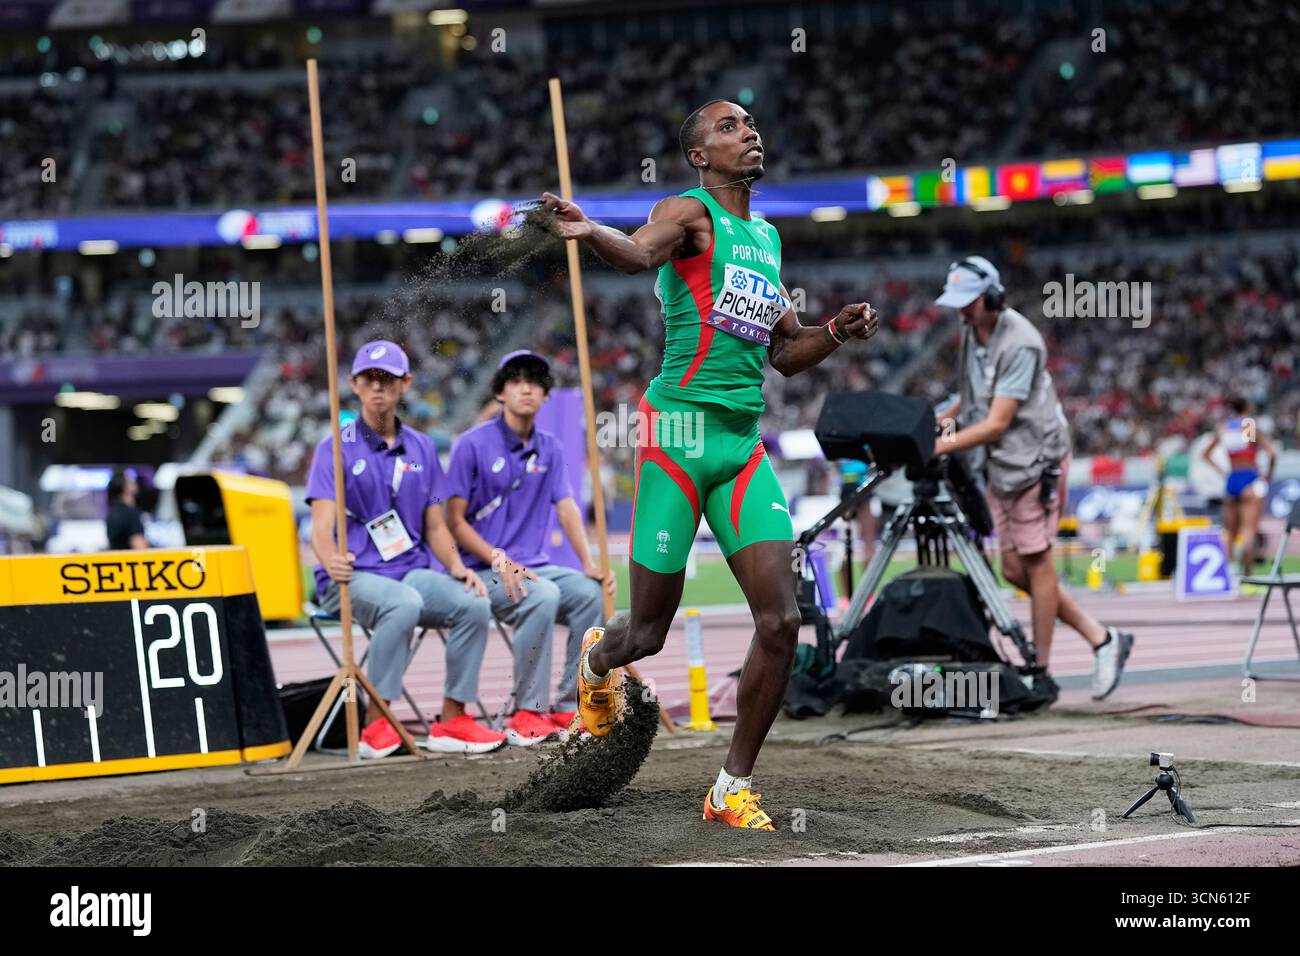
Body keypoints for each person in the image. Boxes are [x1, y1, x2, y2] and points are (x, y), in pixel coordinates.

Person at [538, 99, 878, 830]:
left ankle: (730, 787)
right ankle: (600, 662)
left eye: (752, 123)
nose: (749, 132)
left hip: (740, 444)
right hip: (678, 435)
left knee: (781, 620)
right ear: (699, 155)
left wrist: (835, 333)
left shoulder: (765, 237)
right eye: (729, 127)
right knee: (648, 634)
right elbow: (635, 252)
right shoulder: (688, 212)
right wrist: (586, 228)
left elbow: (786, 352)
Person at [931, 256, 1134, 699]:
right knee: (1013, 569)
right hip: (1001, 465)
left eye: (969, 303)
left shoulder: (1020, 341)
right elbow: (969, 399)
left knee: (1038, 564)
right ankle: (1102, 637)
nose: (961, 312)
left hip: (1034, 463)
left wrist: (939, 445)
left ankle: (1040, 672)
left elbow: (997, 421)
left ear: (992, 297)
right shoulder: (972, 331)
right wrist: (926, 420)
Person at [306, 340, 506, 758]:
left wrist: (455, 566)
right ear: (354, 385)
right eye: (369, 379)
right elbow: (320, 530)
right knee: (404, 603)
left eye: (388, 379)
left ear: (405, 384)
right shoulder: (334, 448)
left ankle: (452, 720)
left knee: (473, 602)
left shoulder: (422, 448)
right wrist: (331, 560)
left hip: (410, 569)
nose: (378, 388)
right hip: (353, 575)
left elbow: (434, 522)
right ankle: (376, 724)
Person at [444, 350, 615, 746]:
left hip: (536, 566)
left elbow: (568, 507)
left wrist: (589, 562)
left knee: (589, 593)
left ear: (545, 395)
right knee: (543, 594)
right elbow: (454, 521)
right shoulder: (471, 444)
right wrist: (498, 558)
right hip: (480, 569)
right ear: (500, 391)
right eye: (516, 380)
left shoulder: (551, 448)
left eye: (536, 381)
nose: (527, 388)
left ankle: (565, 703)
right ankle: (527, 712)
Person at [1201, 397, 1277, 576]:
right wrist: (1268, 475)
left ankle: (1228, 575)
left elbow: (1206, 454)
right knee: (1249, 530)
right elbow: (1272, 453)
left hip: (1231, 480)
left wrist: (1222, 472)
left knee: (1230, 532)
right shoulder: (1248, 425)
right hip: (1249, 477)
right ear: (1247, 406)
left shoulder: (1223, 428)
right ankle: (1248, 576)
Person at [105, 469, 148, 550]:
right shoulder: (130, 513)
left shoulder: (113, 511)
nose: (135, 482)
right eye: (131, 481)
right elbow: (139, 546)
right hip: (132, 561)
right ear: (125, 487)